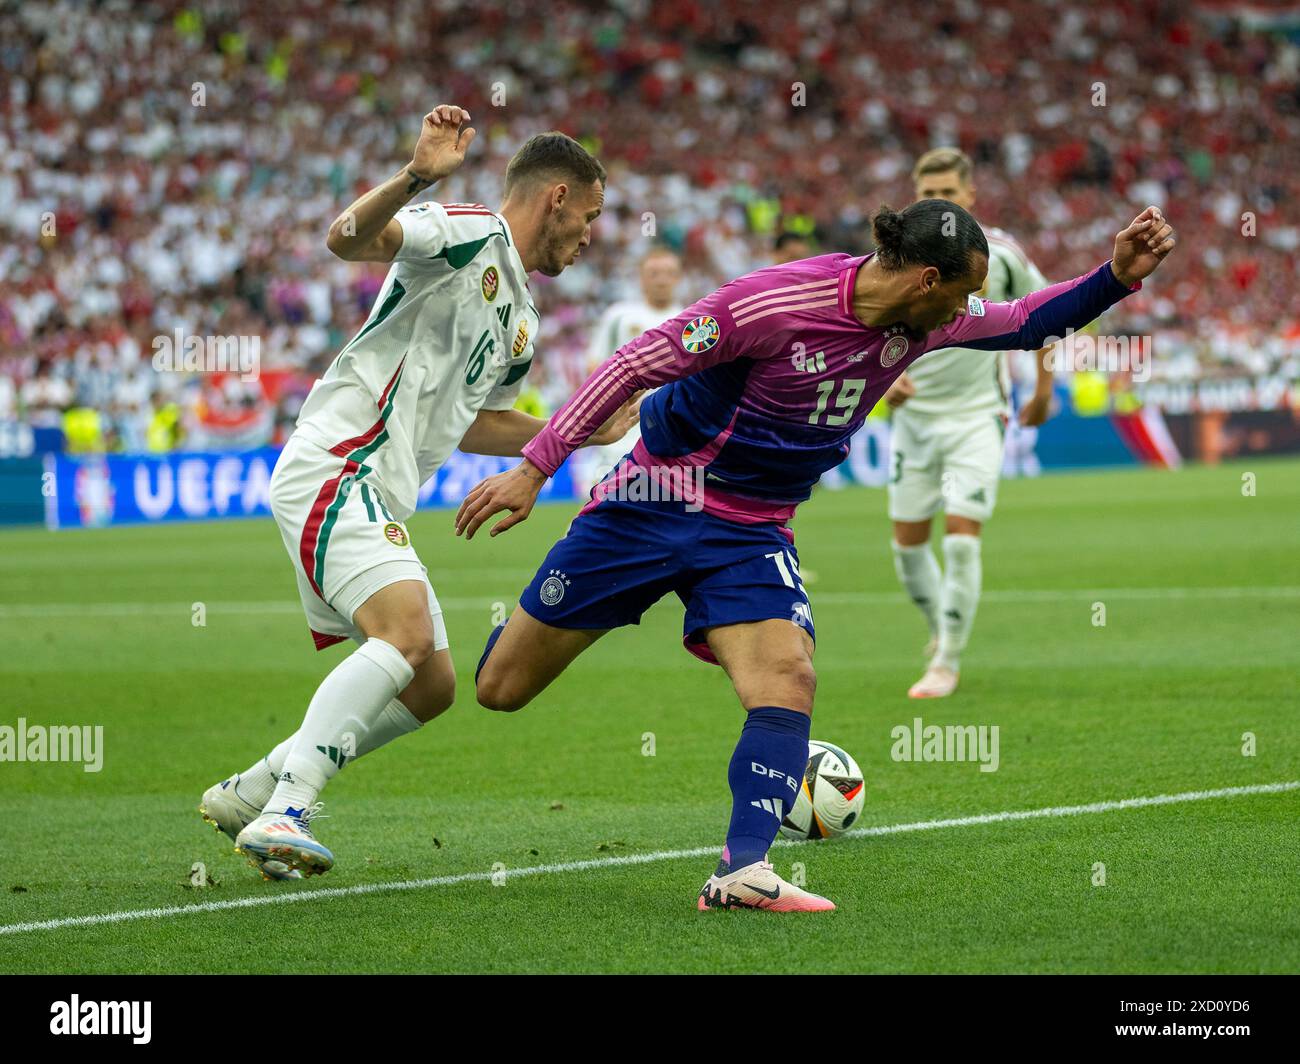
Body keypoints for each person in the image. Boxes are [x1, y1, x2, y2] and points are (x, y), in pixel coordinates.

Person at [454, 199, 1176, 912]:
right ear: (926, 279)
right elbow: (635, 363)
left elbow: (1025, 324)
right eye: (960, 293)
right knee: (502, 687)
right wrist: (535, 465)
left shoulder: (925, 324)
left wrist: (1116, 275)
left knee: (789, 674)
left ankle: (743, 870)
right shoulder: (771, 303)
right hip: (652, 500)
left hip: (752, 529)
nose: (967, 310)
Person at [198, 105, 637, 879]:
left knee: (431, 683)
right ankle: (287, 808)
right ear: (556, 197)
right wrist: (415, 178)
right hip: (339, 462)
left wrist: (575, 433)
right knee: (400, 635)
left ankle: (256, 785)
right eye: (591, 215)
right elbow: (346, 240)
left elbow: (472, 423)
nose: (592, 235)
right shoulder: (466, 230)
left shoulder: (523, 321)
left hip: (376, 490)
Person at [882, 147, 1058, 699]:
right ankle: (942, 629)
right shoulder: (896, 260)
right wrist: (886, 381)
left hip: (977, 417)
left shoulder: (999, 254)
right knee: (908, 549)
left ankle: (948, 663)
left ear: (970, 196)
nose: (941, 202)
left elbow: (1046, 312)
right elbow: (868, 328)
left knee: (960, 540)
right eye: (929, 192)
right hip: (914, 421)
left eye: (951, 193)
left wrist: (1044, 390)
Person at [579, 246, 684, 485]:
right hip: (621, 432)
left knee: (662, 510)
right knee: (602, 506)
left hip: (670, 433)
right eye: (654, 273)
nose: (661, 280)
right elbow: (595, 367)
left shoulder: (688, 318)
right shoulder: (619, 316)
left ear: (679, 278)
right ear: (641, 278)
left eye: (669, 273)